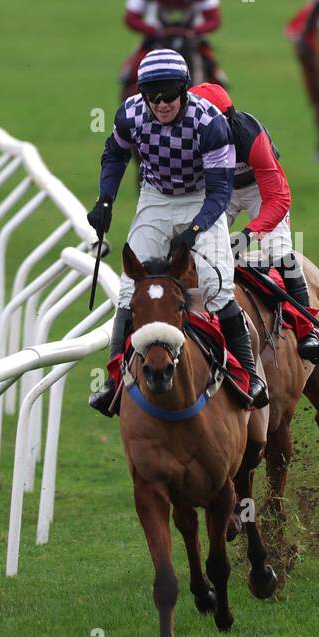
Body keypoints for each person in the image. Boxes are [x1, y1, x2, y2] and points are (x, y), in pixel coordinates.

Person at [86, 48, 269, 416]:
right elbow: (115, 154)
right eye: (153, 96)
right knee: (128, 288)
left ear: (184, 90)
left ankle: (249, 374)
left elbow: (220, 191)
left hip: (202, 196)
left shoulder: (210, 123)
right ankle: (114, 381)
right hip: (155, 196)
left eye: (169, 95)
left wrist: (196, 228)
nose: (161, 104)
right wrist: (105, 199)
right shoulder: (131, 114)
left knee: (216, 284)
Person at [188, 81, 319, 364]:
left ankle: (308, 328)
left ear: (227, 119)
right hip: (218, 191)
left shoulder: (251, 136)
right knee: (190, 251)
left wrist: (248, 235)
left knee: (280, 253)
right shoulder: (185, 137)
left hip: (259, 191)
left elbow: (277, 198)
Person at [119, 0, 224, 94]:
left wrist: (195, 32)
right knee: (140, 55)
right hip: (156, 19)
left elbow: (214, 20)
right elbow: (130, 18)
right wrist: (153, 32)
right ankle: (129, 76)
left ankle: (218, 79)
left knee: (204, 52)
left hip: (191, 21)